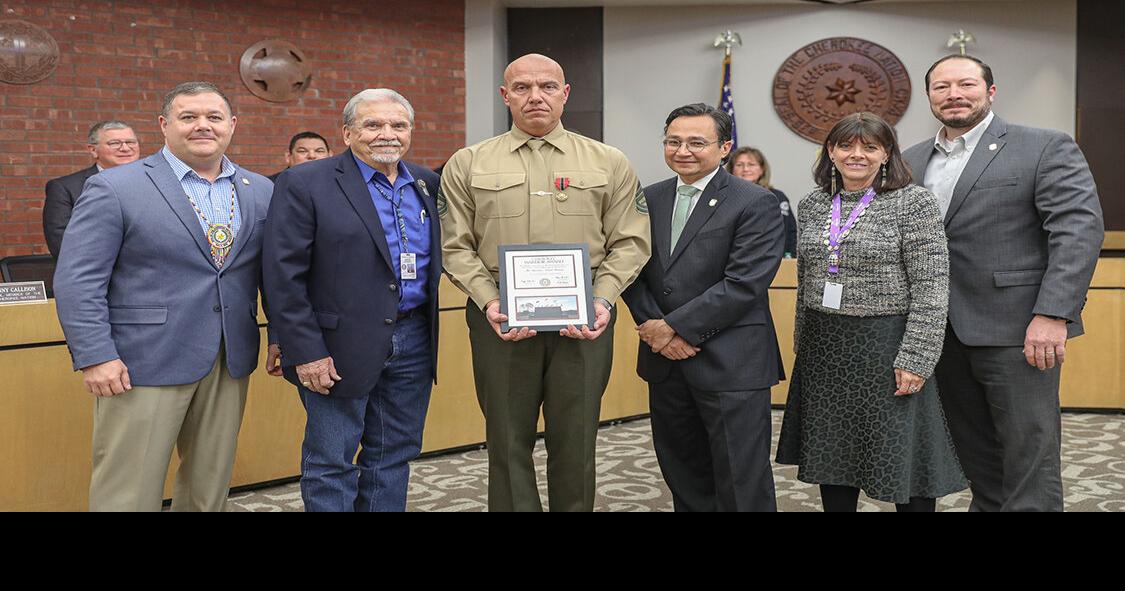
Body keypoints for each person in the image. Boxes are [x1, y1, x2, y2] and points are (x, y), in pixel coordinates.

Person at [53, 82, 279, 512]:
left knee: (208, 484)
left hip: (228, 357)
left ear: (232, 125)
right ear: (164, 125)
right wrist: (95, 354)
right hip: (142, 361)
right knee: (129, 488)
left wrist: (284, 336)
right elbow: (78, 279)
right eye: (188, 116)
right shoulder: (118, 187)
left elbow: (272, 275)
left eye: (214, 117)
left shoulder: (260, 190)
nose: (202, 126)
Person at [440, 53, 651, 512]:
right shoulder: (467, 163)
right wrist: (489, 302)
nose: (535, 96)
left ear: (565, 93)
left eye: (547, 86)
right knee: (506, 438)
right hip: (500, 321)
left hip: (586, 320)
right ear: (505, 95)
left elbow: (631, 242)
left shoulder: (608, 161)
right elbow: (454, 246)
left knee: (576, 439)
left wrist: (604, 300)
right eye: (522, 87)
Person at [903, 55, 1104, 512]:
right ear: (930, 96)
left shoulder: (1043, 146)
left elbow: (1077, 230)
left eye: (966, 84)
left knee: (1027, 450)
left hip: (1020, 330)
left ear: (991, 91)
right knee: (973, 449)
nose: (954, 94)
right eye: (941, 86)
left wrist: (1054, 313)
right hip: (939, 332)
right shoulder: (911, 160)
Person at [776, 111, 966, 512]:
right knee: (832, 461)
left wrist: (917, 357)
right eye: (845, 145)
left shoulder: (913, 203)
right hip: (825, 351)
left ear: (887, 154)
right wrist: (803, 345)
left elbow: (931, 286)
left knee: (904, 463)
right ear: (830, 151)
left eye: (869, 147)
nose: (856, 155)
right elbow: (806, 279)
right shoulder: (813, 204)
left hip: (888, 348)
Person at [263, 89, 441, 512]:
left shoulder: (425, 183)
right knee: (331, 462)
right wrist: (305, 350)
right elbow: (282, 276)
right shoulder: (305, 181)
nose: (387, 134)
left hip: (414, 337)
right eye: (373, 125)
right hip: (335, 346)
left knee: (393, 454)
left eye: (398, 125)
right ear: (347, 133)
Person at [622, 104, 784, 512]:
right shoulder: (649, 198)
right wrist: (655, 328)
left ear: (725, 146)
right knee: (683, 472)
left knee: (740, 479)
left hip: (731, 363)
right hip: (666, 363)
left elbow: (744, 283)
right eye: (673, 142)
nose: (683, 151)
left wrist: (673, 329)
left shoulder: (755, 202)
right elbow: (630, 268)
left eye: (697, 142)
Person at [43, 120, 140, 261]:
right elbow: (62, 245)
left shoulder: (157, 182)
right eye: (114, 143)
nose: (125, 148)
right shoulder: (65, 188)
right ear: (93, 150)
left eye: (131, 142)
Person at [728, 146, 797, 257]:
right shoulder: (725, 197)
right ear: (732, 170)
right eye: (739, 165)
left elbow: (790, 232)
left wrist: (790, 257)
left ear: (761, 169)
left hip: (774, 260)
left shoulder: (777, 197)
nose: (745, 169)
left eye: (751, 164)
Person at [268, 131, 332, 181]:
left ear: (330, 155)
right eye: (303, 151)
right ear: (288, 156)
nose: (312, 156)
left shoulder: (338, 183)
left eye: (319, 151)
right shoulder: (271, 185)